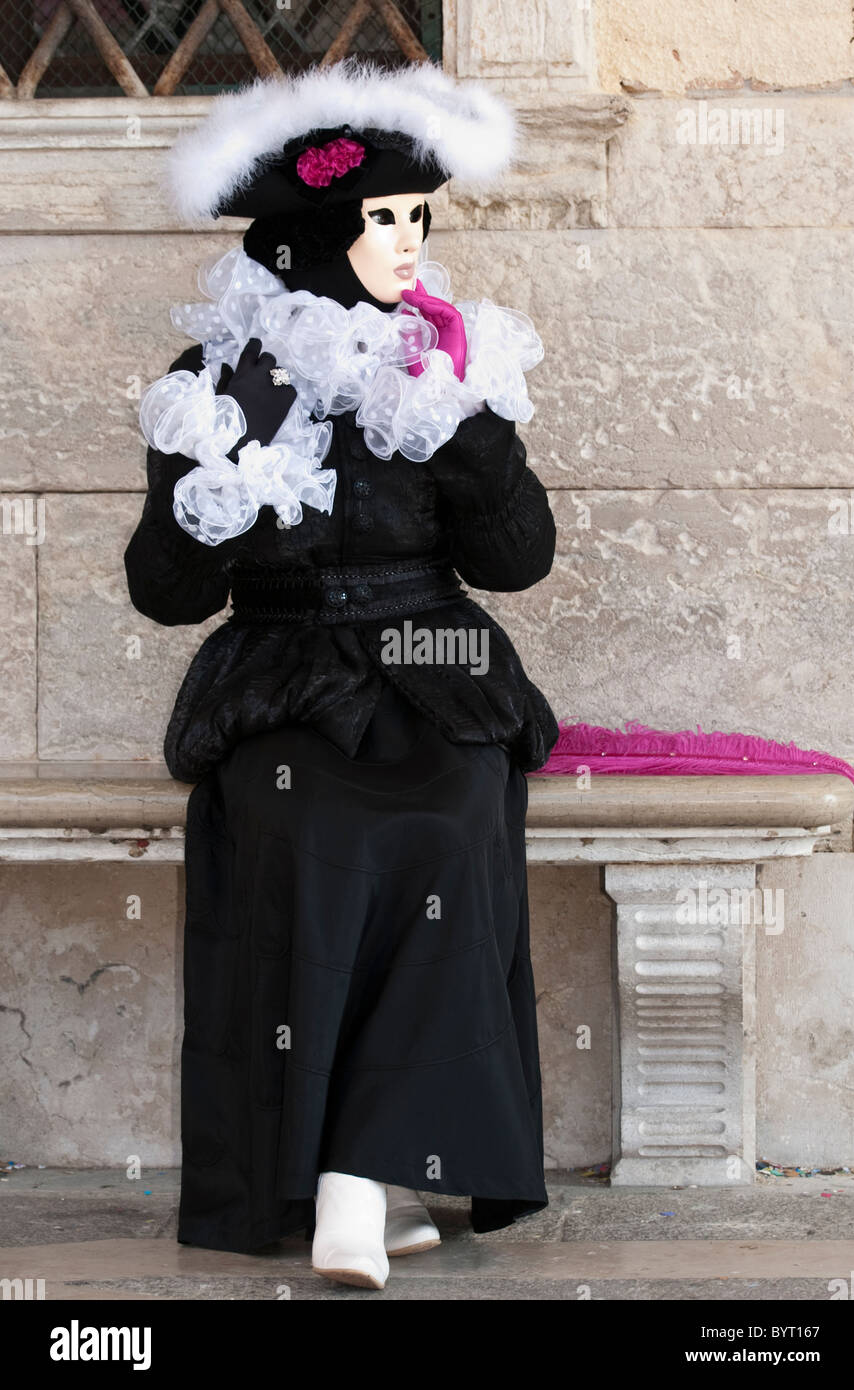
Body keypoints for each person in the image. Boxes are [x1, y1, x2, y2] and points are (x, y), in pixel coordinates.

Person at [124, 58, 559, 1291]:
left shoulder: (450, 363)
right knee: (307, 833)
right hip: (281, 663)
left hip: (434, 655)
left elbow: (517, 563)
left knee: (452, 817)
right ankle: (348, 1173)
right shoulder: (217, 388)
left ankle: (356, 1178)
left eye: (423, 216)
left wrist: (471, 437)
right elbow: (164, 594)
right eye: (383, 218)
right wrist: (211, 495)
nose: (411, 243)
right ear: (317, 232)